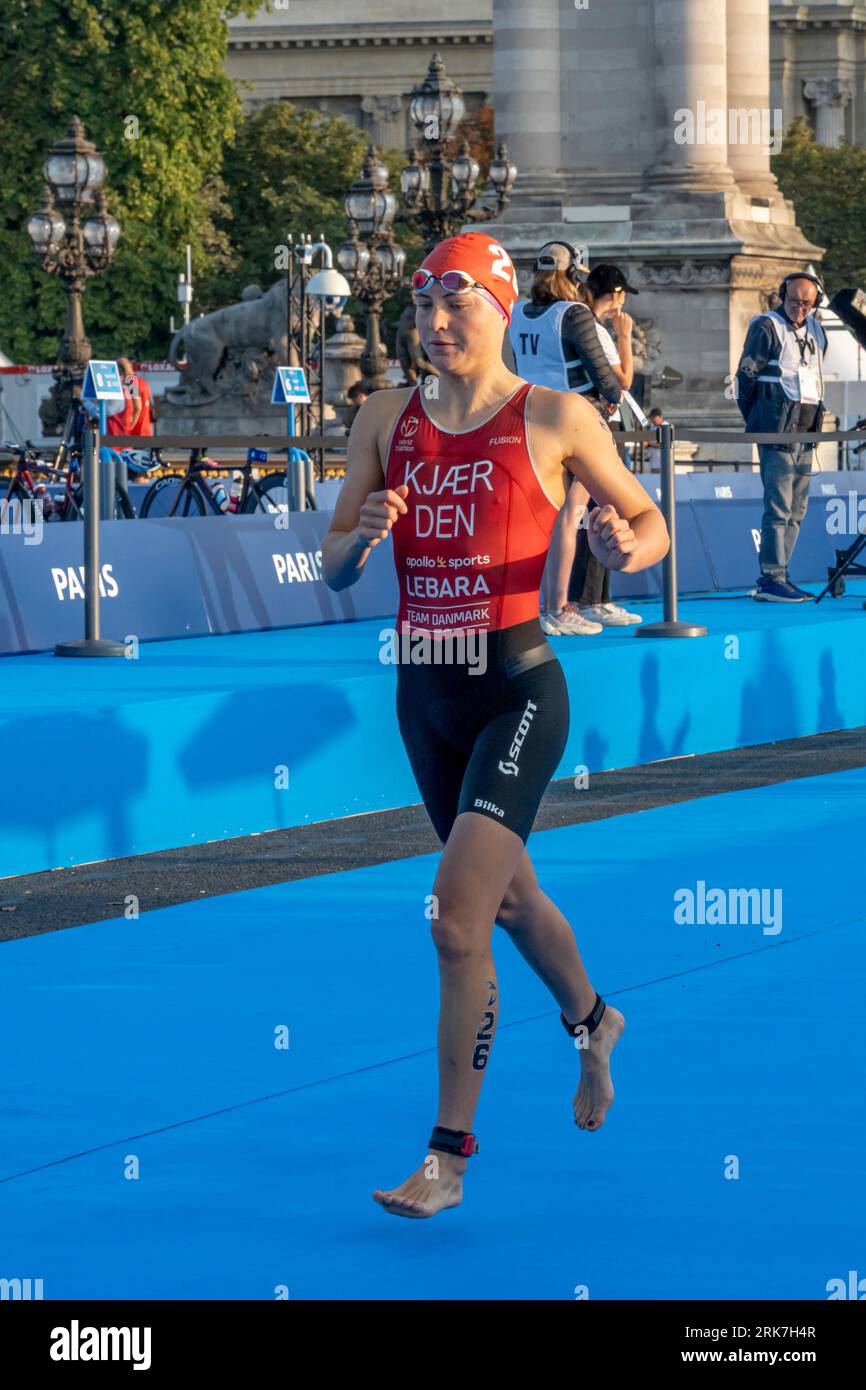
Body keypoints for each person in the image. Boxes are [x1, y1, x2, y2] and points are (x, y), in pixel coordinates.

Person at [322, 231, 669, 1218]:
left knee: (455, 919)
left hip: (516, 688)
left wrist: (622, 545)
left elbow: (649, 522)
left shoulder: (553, 416)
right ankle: (593, 1021)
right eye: (422, 307)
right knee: (508, 903)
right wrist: (362, 539)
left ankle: (446, 1155)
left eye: (456, 306)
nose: (433, 325)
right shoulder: (383, 419)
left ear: (499, 310)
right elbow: (334, 563)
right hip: (423, 694)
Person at [508, 240, 623, 636]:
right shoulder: (572, 313)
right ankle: (558, 605)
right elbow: (604, 376)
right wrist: (612, 398)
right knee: (571, 514)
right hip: (573, 422)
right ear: (574, 274)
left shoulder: (516, 313)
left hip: (527, 417)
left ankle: (535, 606)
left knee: (540, 516)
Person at [735, 272, 828, 602]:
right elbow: (745, 377)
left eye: (807, 303)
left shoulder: (816, 329)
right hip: (777, 431)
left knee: (797, 509)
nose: (800, 308)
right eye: (794, 301)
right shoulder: (766, 326)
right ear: (781, 296)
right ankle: (772, 576)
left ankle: (781, 574)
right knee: (779, 507)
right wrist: (758, 420)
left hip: (807, 431)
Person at [568, 263, 644, 627]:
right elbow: (624, 380)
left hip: (588, 426)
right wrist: (625, 336)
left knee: (596, 513)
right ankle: (588, 598)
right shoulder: (595, 329)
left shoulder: (580, 322)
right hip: (599, 429)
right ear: (615, 295)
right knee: (604, 511)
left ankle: (594, 596)